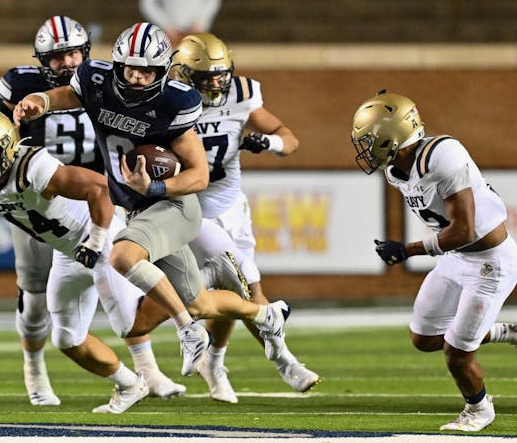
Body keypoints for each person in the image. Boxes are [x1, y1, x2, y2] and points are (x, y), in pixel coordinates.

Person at [13, 22, 290, 379]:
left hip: (173, 206)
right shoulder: (95, 81)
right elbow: (69, 95)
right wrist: (43, 100)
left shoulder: (176, 102)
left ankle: (188, 330)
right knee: (199, 301)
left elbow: (199, 176)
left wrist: (154, 188)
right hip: (136, 208)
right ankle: (267, 315)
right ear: (116, 65)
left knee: (122, 255)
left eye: (146, 71)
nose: (137, 77)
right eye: (130, 68)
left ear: (161, 71)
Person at [0, 15, 183, 405]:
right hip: (38, 204)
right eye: (57, 56)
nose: (67, 62)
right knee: (34, 295)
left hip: (96, 198)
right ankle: (35, 370)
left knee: (117, 287)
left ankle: (147, 372)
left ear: (87, 53)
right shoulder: (22, 86)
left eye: (74, 53)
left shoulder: (106, 81)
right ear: (42, 60)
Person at [0, 108, 158, 413]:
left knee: (130, 324)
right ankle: (131, 384)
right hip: (68, 252)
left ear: (7, 146)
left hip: (100, 238)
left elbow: (100, 190)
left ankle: (193, 299)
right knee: (67, 338)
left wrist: (94, 242)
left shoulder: (34, 166)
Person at [351, 90, 517, 432]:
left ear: (391, 136)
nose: (365, 148)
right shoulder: (395, 169)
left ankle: (479, 410)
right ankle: (506, 331)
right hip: (456, 258)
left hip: (489, 264)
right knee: (424, 338)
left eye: (369, 139)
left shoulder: (443, 155)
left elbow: (465, 229)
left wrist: (408, 250)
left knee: (457, 354)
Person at [170, 33, 320, 402]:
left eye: (221, 75)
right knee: (249, 283)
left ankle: (214, 361)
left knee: (229, 291)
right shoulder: (168, 101)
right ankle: (284, 359)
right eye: (206, 77)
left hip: (233, 206)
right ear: (186, 75)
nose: (216, 83)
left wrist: (268, 143)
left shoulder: (241, 94)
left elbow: (290, 138)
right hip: (193, 210)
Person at [139, 0, 222, 46]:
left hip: (197, 32)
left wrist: (201, 20)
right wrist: (165, 25)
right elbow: (148, 3)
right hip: (168, 37)